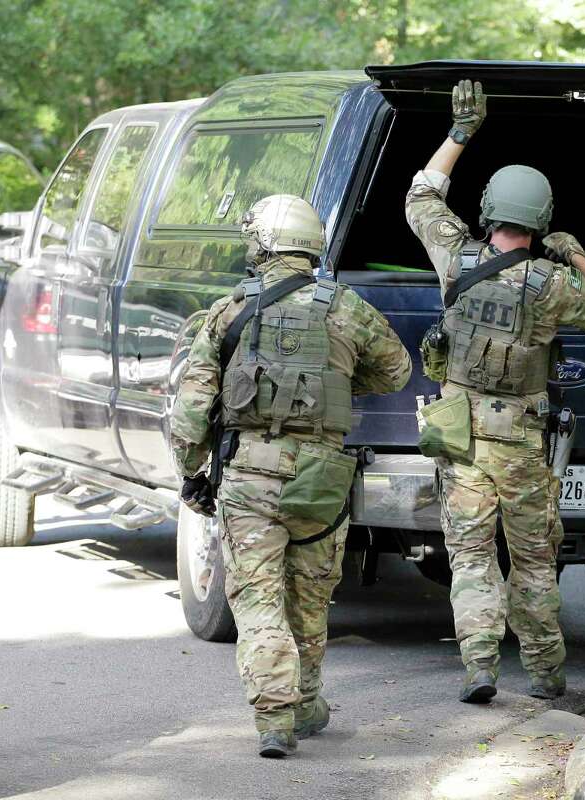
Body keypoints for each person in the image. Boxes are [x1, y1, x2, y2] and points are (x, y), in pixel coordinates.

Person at [405, 80, 585, 703]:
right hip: (522, 443)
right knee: (532, 559)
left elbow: (420, 195)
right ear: (543, 220)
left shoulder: (455, 258)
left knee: (472, 556)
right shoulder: (554, 285)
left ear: (488, 208)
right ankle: (546, 673)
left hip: (460, 438)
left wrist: (459, 133)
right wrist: (579, 256)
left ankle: (480, 666)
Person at [170, 195, 412, 758]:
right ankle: (303, 702)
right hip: (321, 478)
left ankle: (275, 717)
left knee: (258, 599)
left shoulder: (228, 311)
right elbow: (397, 370)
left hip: (250, 473)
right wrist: (340, 381)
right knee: (309, 596)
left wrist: (191, 472)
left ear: (261, 245)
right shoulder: (346, 308)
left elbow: (191, 409)